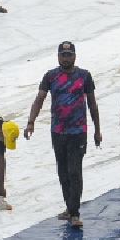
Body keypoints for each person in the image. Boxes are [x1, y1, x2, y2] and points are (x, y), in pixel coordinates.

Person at [25, 41, 102, 229]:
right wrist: (31, 122)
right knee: (63, 171)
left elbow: (92, 103)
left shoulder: (84, 76)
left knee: (75, 170)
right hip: (58, 131)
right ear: (58, 57)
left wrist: (97, 129)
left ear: (74, 56)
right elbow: (40, 99)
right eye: (63, 55)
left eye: (69, 55)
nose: (66, 58)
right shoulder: (51, 76)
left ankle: (75, 213)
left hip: (78, 132)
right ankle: (69, 207)